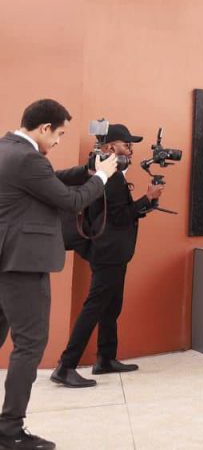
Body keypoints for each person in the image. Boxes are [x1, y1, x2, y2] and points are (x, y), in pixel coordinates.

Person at [0, 99, 118, 450]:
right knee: (30, 345)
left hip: (6, 260)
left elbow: (46, 181)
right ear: (44, 128)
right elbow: (71, 202)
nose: (59, 141)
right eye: (59, 134)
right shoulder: (27, 158)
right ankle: (9, 431)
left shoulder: (8, 150)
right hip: (23, 264)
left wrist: (85, 170)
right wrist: (102, 175)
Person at [50, 124, 165, 388]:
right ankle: (65, 366)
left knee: (111, 306)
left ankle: (105, 358)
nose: (131, 151)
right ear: (111, 148)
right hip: (108, 252)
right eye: (127, 145)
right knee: (95, 307)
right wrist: (147, 199)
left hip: (113, 251)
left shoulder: (111, 175)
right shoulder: (110, 178)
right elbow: (119, 216)